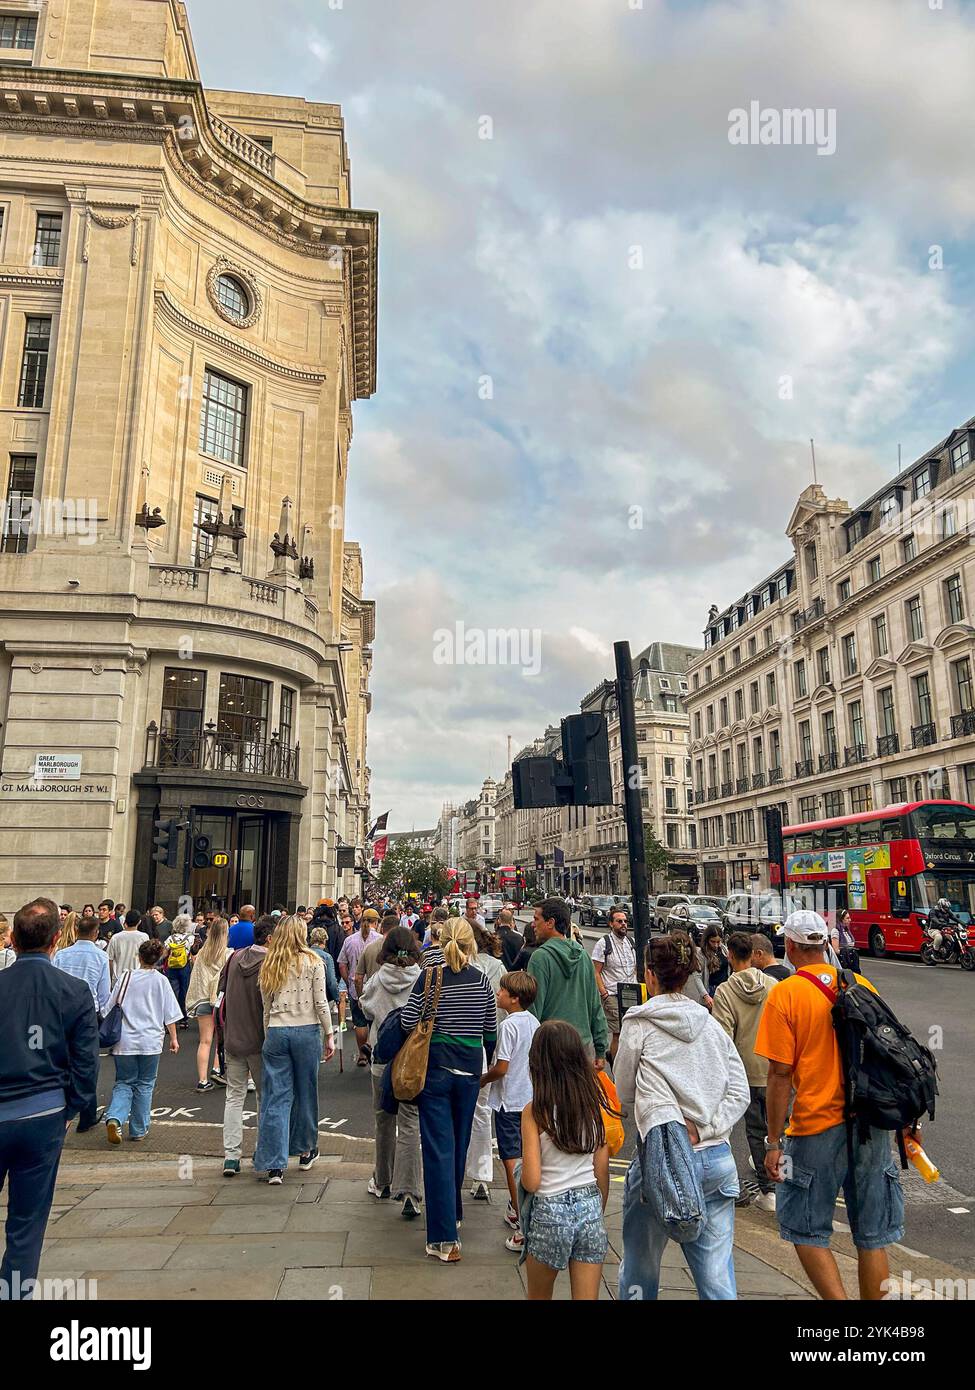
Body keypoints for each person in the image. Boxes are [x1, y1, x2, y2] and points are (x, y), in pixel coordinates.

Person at [755, 910, 903, 1301]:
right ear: (824, 943)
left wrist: (773, 1141)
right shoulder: (862, 984)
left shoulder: (785, 994)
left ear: (788, 946)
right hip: (870, 1120)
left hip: (816, 1124)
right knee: (873, 1236)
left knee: (804, 1226)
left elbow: (780, 1075)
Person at [616, 934, 750, 1300]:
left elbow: (623, 1091)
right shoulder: (711, 1027)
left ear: (650, 975)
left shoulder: (639, 1024)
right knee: (717, 1277)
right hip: (717, 1160)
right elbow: (740, 1092)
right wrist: (705, 1126)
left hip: (662, 1159)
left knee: (641, 1267)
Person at [0, 898, 98, 1298]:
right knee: (26, 1222)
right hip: (43, 1114)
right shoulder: (74, 991)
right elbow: (86, 1064)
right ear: (58, 938)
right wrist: (70, 1108)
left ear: (12, 939)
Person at [403, 919, 497, 1262]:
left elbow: (407, 1021)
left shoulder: (430, 978)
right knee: (458, 1144)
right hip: (470, 1070)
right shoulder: (483, 980)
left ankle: (444, 1239)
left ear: (442, 941)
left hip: (436, 1069)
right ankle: (453, 1211)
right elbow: (490, 1029)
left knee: (439, 1150)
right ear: (471, 945)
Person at [520, 1019, 610, 1300]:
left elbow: (532, 1182)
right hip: (590, 1208)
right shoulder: (594, 1106)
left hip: (550, 1211)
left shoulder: (535, 1112)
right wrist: (596, 1208)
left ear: (537, 1064)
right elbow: (602, 1169)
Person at [254, 915, 335, 1184]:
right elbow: (321, 1002)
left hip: (277, 1030)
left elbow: (266, 1005)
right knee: (306, 1092)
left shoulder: (270, 962)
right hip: (306, 1029)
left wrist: (269, 1032)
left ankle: (274, 1165)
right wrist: (330, 1034)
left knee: (276, 1098)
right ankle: (306, 1150)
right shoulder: (314, 961)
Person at [359, 926, 423, 1217]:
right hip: (412, 1060)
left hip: (383, 1057)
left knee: (383, 1120)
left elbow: (366, 1007)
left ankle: (382, 1181)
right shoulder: (422, 979)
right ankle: (409, 1190)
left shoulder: (377, 978)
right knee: (410, 1123)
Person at [711, 932, 775, 1212]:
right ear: (753, 954)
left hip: (744, 1072)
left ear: (730, 956)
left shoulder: (725, 991)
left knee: (755, 1131)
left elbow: (722, 1037)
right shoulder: (774, 985)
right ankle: (783, 1184)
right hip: (775, 1069)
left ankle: (768, 1191)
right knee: (778, 1131)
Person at [480, 970, 539, 1252]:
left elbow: (502, 1068)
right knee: (528, 1157)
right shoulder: (534, 1022)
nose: (498, 994)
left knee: (511, 1160)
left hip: (508, 1101)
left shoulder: (509, 1026)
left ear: (514, 999)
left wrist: (480, 1080)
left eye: (502, 991)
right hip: (530, 1099)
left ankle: (522, 1224)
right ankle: (520, 1210)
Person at [103, 939, 182, 1144]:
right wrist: (173, 1038)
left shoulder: (125, 977)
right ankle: (138, 1129)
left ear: (139, 957)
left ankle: (115, 1117)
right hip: (151, 1040)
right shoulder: (161, 981)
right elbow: (170, 1014)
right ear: (159, 959)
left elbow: (109, 1007)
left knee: (123, 1082)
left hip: (124, 1040)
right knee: (145, 1084)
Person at [220, 916, 274, 1177]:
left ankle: (231, 1156)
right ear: (270, 938)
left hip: (232, 1036)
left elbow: (221, 993)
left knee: (234, 1097)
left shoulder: (233, 959)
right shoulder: (271, 964)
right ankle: (262, 1151)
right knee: (264, 1099)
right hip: (260, 1040)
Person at [527, 898, 608, 1065]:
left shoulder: (540, 957)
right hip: (582, 1044)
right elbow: (595, 1005)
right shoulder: (583, 955)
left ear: (550, 923)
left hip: (551, 1046)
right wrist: (601, 1048)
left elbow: (534, 1009)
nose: (533, 925)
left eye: (536, 919)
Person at [466, 924, 508, 1201]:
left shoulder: (453, 967)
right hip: (487, 1047)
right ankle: (481, 1176)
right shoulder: (498, 967)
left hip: (460, 1048)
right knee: (482, 1112)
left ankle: (455, 1173)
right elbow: (504, 1008)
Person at [185, 917, 232, 1091]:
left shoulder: (202, 954)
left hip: (202, 999)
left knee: (205, 1041)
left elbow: (195, 978)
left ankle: (202, 1080)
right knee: (222, 1038)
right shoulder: (228, 954)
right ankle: (217, 1068)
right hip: (220, 1001)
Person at [338, 907, 382, 1066]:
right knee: (374, 1021)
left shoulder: (349, 940)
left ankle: (362, 1054)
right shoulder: (380, 940)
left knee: (359, 1021)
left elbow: (342, 964)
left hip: (356, 986)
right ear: (375, 922)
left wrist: (347, 979)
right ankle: (372, 1049)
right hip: (375, 986)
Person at [592, 907, 637, 1062]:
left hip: (631, 993)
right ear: (611, 924)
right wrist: (604, 993)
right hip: (612, 994)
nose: (623, 924)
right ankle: (617, 1067)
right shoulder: (603, 943)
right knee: (619, 1032)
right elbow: (595, 971)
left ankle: (625, 1061)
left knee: (632, 1030)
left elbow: (635, 968)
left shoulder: (631, 942)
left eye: (625, 921)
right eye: (619, 921)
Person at [54, 914, 111, 1015]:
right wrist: (104, 1013)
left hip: (64, 1008)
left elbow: (53, 984)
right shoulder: (102, 957)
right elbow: (104, 992)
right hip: (88, 1009)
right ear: (96, 933)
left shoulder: (61, 955)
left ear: (77, 931)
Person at [162, 913, 196, 1025]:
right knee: (184, 991)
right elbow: (193, 954)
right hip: (184, 966)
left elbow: (165, 954)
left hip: (172, 967)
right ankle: (183, 1018)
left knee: (172, 991)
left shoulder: (170, 938)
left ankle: (171, 1017)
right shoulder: (191, 938)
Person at [355, 912, 398, 998]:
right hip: (395, 998)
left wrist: (361, 997)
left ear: (382, 929)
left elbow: (358, 979)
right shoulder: (402, 948)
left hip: (373, 997)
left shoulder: (369, 948)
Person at [106, 908, 149, 983]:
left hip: (118, 977)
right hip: (137, 977)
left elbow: (110, 959)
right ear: (139, 922)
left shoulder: (115, 937)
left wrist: (110, 977)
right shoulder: (144, 937)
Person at [308, 927, 341, 1002]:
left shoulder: (304, 955)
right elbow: (331, 982)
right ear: (324, 940)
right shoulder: (327, 957)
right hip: (322, 996)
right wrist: (337, 997)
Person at [701, 926, 730, 994]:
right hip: (712, 989)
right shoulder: (702, 953)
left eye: (718, 942)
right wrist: (704, 994)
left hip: (725, 988)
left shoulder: (724, 950)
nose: (716, 945)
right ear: (707, 940)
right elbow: (697, 976)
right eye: (713, 942)